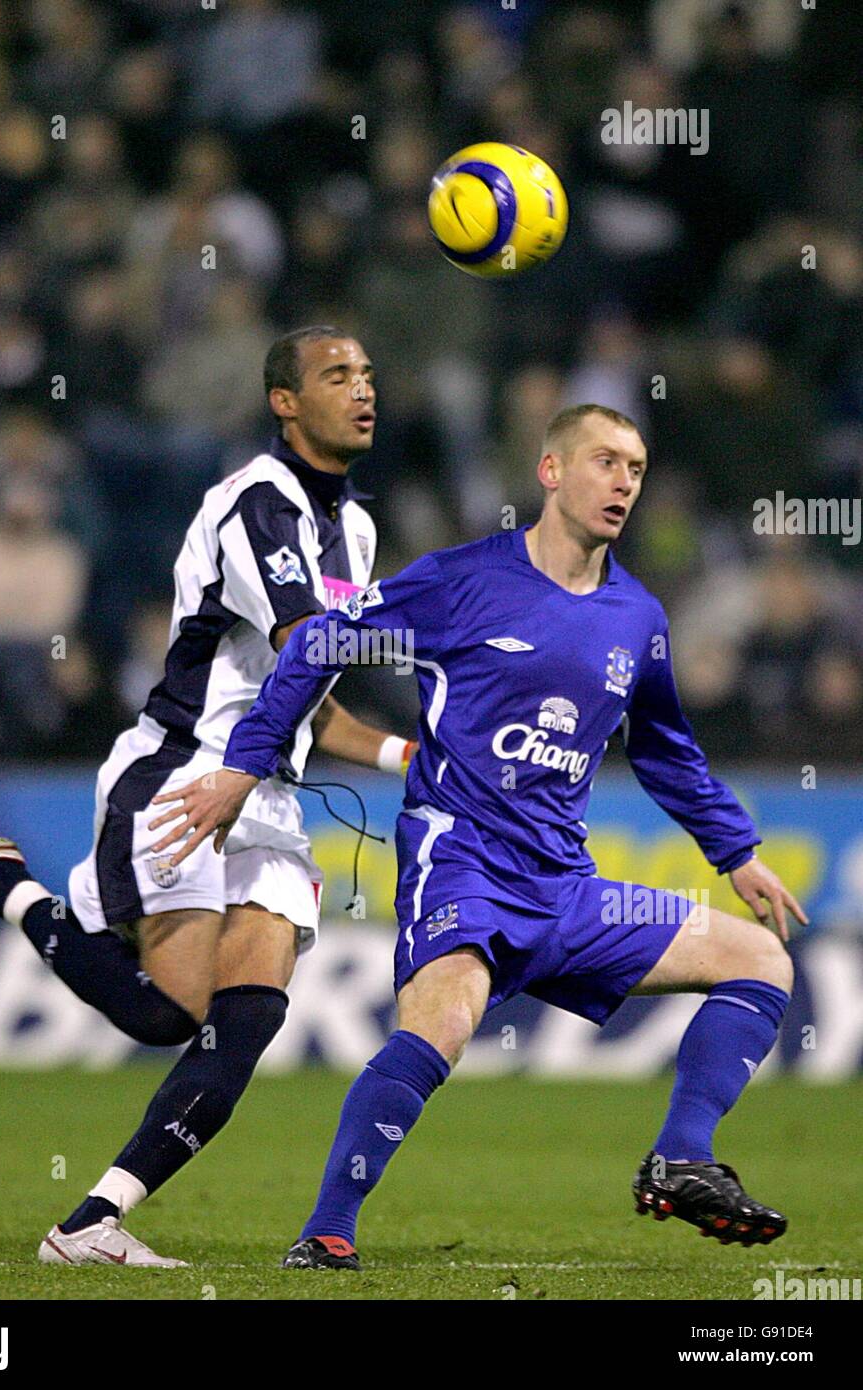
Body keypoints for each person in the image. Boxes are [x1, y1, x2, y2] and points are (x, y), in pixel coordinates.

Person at [158, 404, 807, 1270]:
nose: (623, 482)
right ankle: (326, 1231)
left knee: (762, 962)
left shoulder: (636, 618)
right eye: (605, 461)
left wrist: (737, 853)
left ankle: (680, 1159)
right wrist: (245, 766)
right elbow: (318, 642)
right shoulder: (462, 582)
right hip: (461, 863)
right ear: (550, 470)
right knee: (445, 1023)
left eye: (637, 469)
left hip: (568, 886)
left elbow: (662, 748)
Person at [0, 326, 414, 1267]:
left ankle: (90, 1222)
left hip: (264, 793)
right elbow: (305, 645)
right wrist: (457, 648)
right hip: (183, 770)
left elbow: (314, 703)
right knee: (166, 1016)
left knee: (248, 1019)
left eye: (369, 374)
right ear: (284, 402)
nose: (363, 389)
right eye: (338, 375)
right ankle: (4, 884)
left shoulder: (359, 530)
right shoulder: (257, 502)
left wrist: (410, 750)